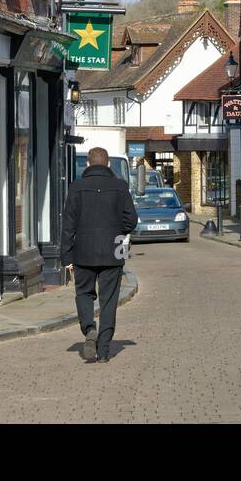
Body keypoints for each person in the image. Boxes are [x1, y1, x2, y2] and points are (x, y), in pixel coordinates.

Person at [61, 146, 138, 363]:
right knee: (109, 300)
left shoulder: (76, 187)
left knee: (84, 294)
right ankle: (103, 350)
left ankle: (89, 329)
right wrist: (117, 230)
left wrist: (66, 257)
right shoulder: (120, 186)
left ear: (87, 163)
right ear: (107, 164)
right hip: (113, 250)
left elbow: (68, 226)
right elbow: (131, 221)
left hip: (82, 252)